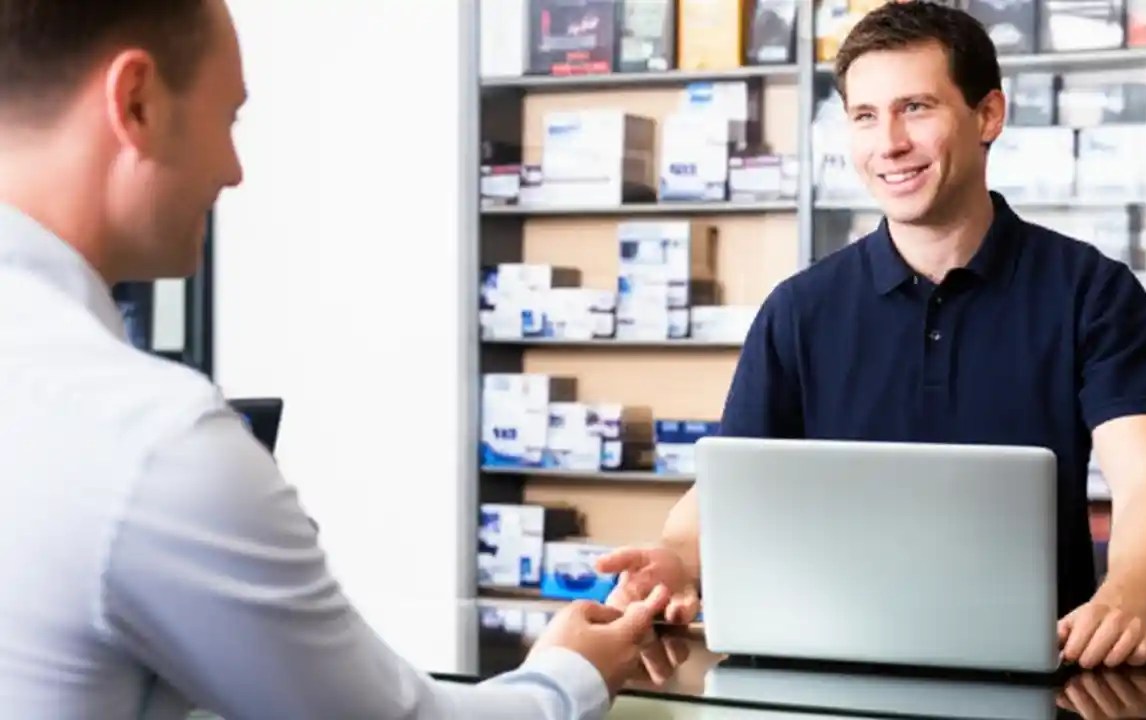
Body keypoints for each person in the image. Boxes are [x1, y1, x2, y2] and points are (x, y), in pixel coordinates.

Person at [0, 1, 664, 718]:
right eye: (229, 120)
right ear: (136, 102)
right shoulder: (150, 442)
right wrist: (572, 673)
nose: (233, 171)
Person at [597, 0, 1146, 672]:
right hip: (825, 672)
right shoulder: (800, 310)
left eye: (916, 107)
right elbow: (725, 490)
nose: (890, 143)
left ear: (988, 115)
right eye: (865, 116)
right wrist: (677, 560)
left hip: (1037, 677)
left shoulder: (1092, 292)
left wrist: (1126, 596)